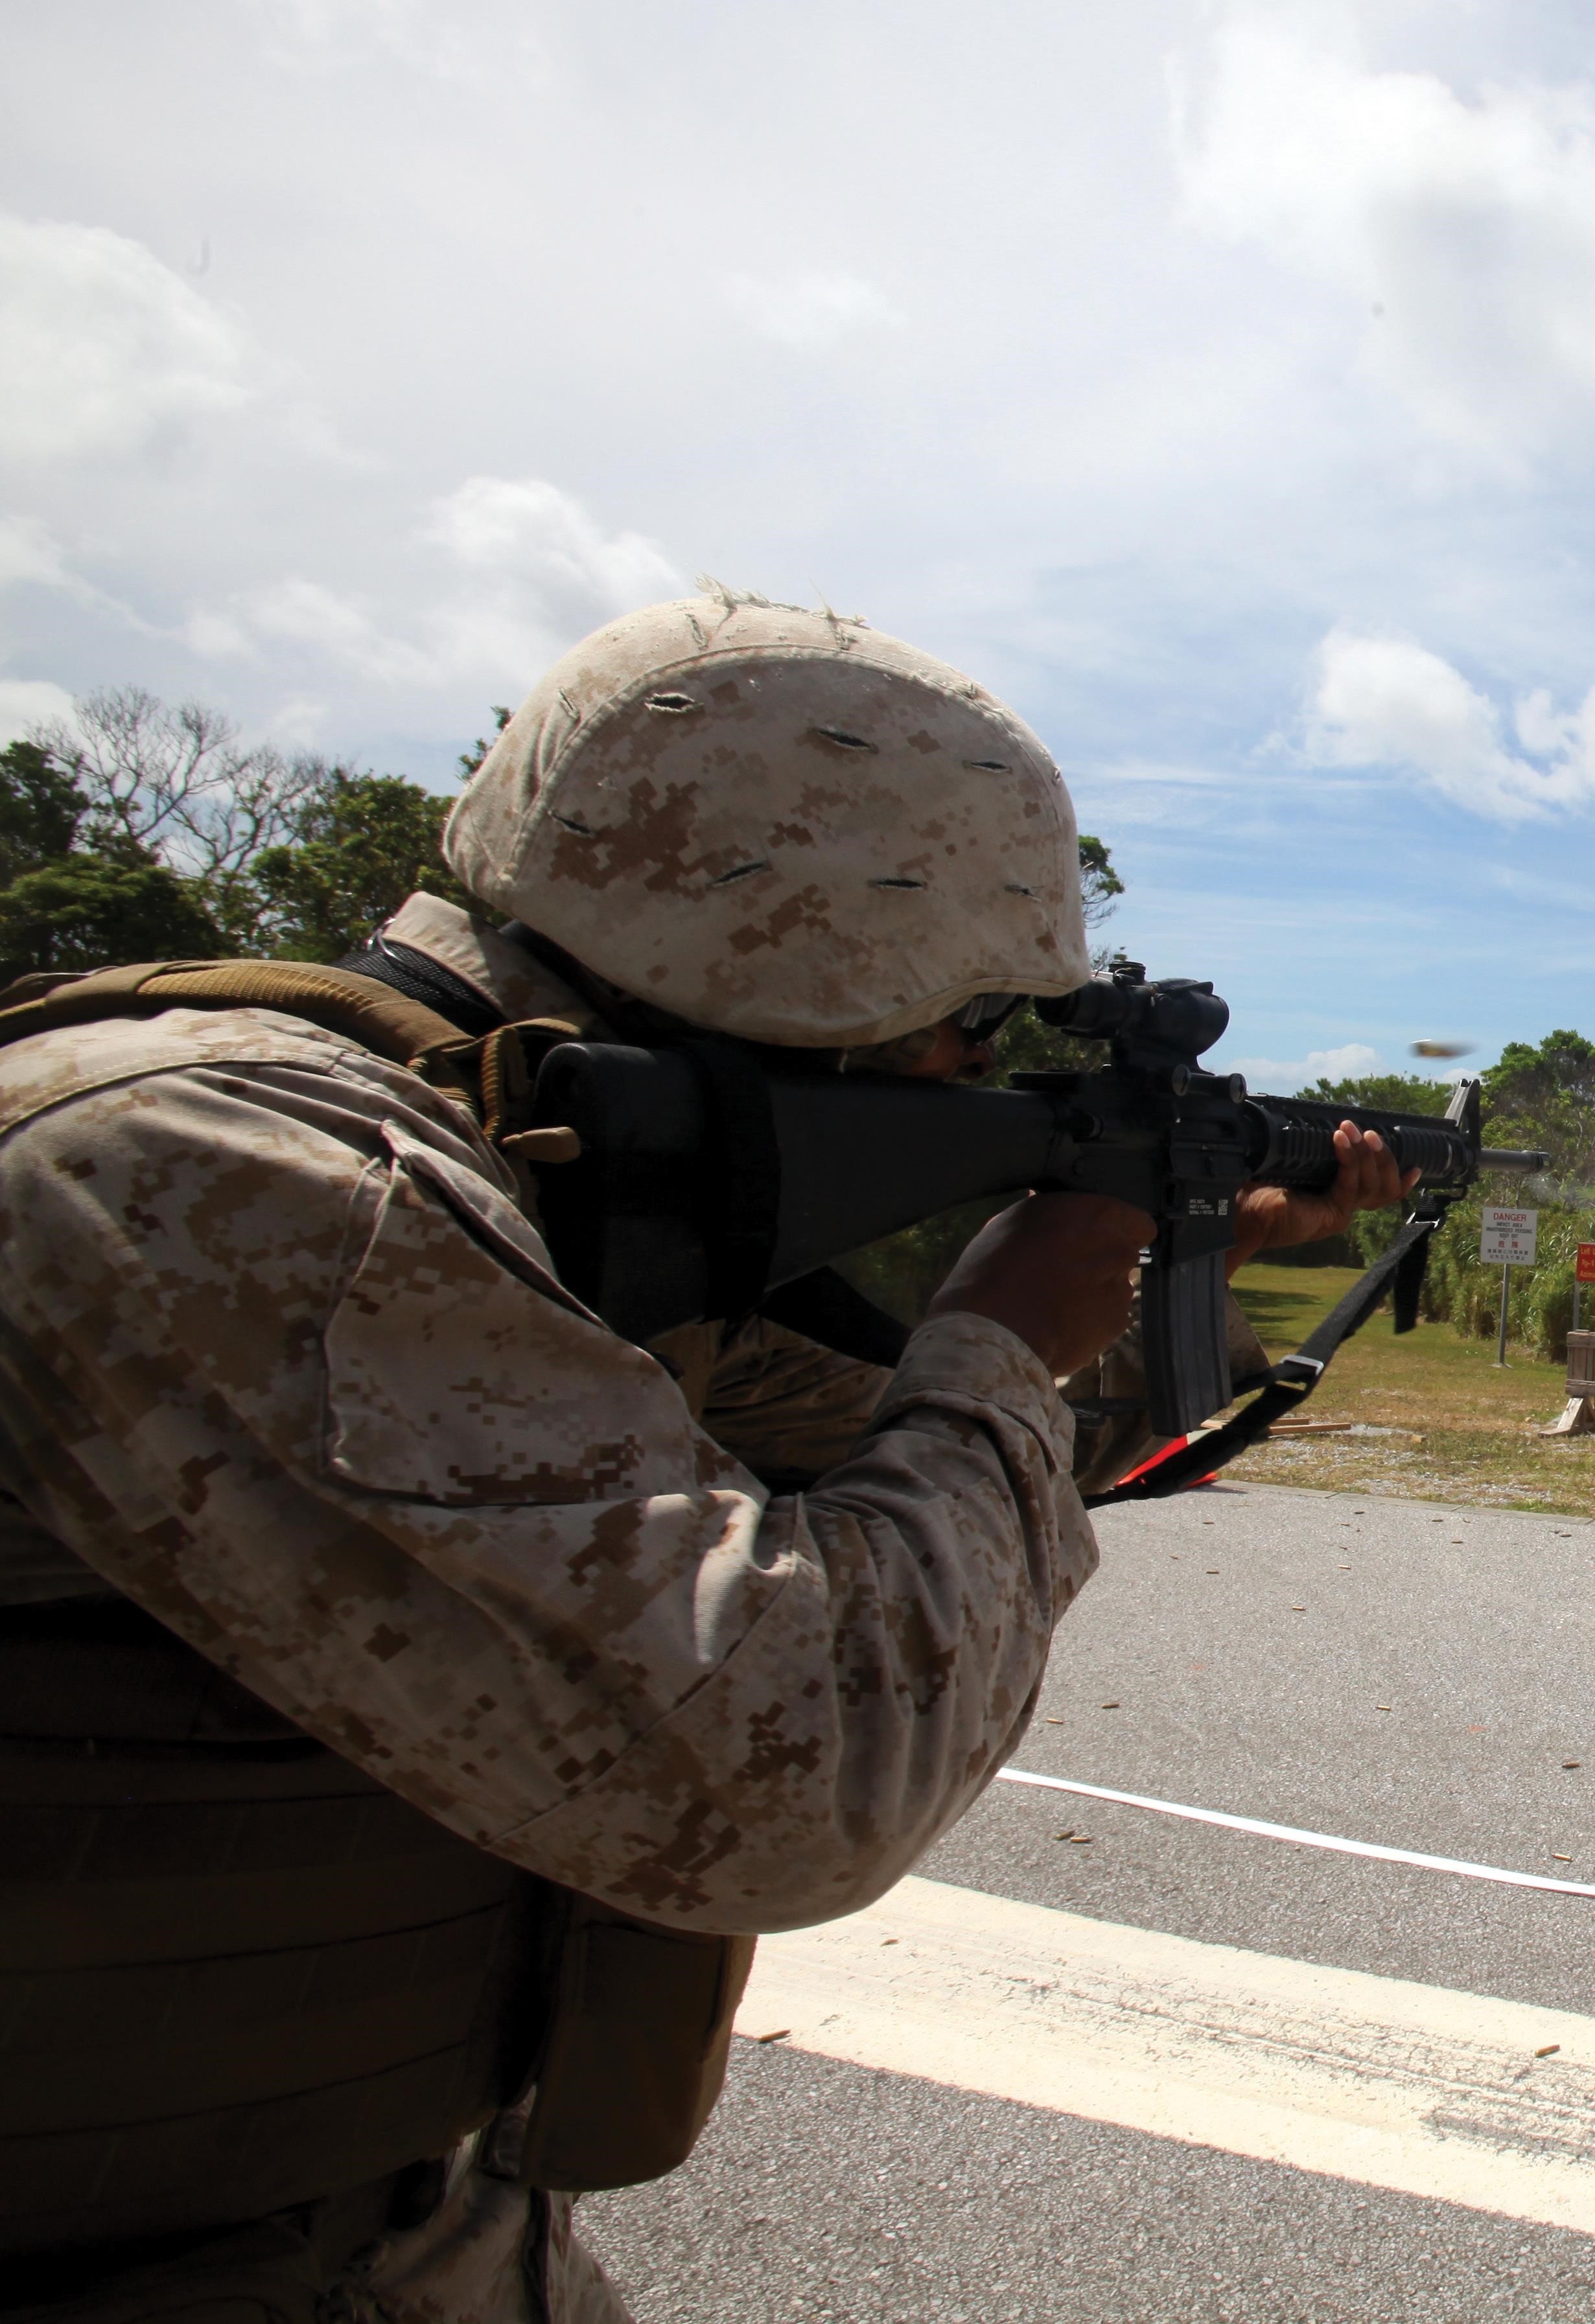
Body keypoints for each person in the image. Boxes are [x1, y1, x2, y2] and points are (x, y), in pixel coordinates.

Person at [0, 590, 1403, 2321]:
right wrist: (994, 1332)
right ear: (795, 941)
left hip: (385, 2224)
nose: (974, 1065)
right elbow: (802, 1778)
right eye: (970, 1012)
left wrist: (1195, 1263)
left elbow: (924, 1453)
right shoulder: (214, 1171)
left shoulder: (517, 1181)